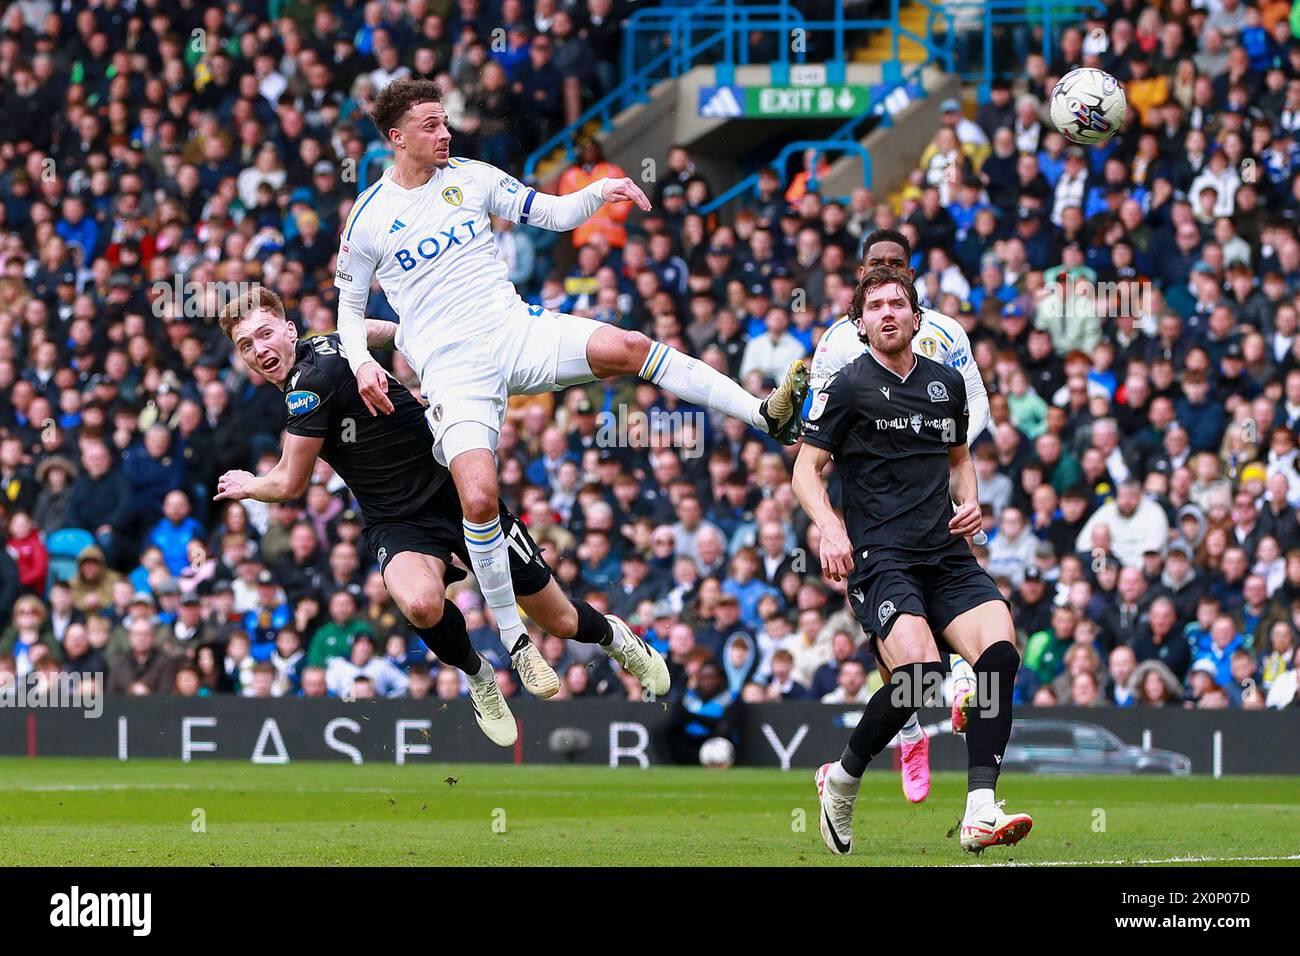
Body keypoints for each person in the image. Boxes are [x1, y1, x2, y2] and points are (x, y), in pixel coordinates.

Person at [332, 78, 809, 673]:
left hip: (516, 331)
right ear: (397, 138)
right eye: (431, 125)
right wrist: (361, 363)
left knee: (631, 344)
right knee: (477, 498)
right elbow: (348, 313)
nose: (445, 132)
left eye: (445, 121)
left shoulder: (472, 177)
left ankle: (764, 413)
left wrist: (601, 189)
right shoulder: (369, 218)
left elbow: (552, 213)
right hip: (452, 371)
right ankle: (514, 639)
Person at [214, 288, 669, 747]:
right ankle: (479, 677)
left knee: (561, 622)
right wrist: (408, 340)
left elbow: (289, 484)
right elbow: (373, 330)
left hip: (456, 491)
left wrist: (247, 484)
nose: (260, 349)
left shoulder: (308, 387)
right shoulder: (329, 344)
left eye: (265, 334)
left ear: (289, 331)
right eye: (246, 345)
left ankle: (615, 638)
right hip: (395, 520)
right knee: (419, 604)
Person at [794, 265, 1031, 855]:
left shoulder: (945, 385)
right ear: (861, 322)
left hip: (945, 552)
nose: (888, 314)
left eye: (898, 304)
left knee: (1000, 656)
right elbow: (804, 471)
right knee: (921, 676)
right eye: (875, 307)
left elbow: (958, 460)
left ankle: (981, 806)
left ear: (916, 318)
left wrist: (970, 500)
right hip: (881, 557)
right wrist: (830, 530)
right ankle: (843, 778)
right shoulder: (846, 386)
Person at [807, 228, 989, 803]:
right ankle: (909, 731)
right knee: (902, 645)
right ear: (860, 283)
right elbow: (814, 433)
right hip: (869, 513)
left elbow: (972, 406)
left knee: (939, 627)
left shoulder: (945, 336)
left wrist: (937, 452)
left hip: (933, 500)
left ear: (914, 282)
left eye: (896, 269)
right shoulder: (839, 344)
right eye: (875, 268)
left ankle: (946, 700)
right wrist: (828, 525)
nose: (885, 274)